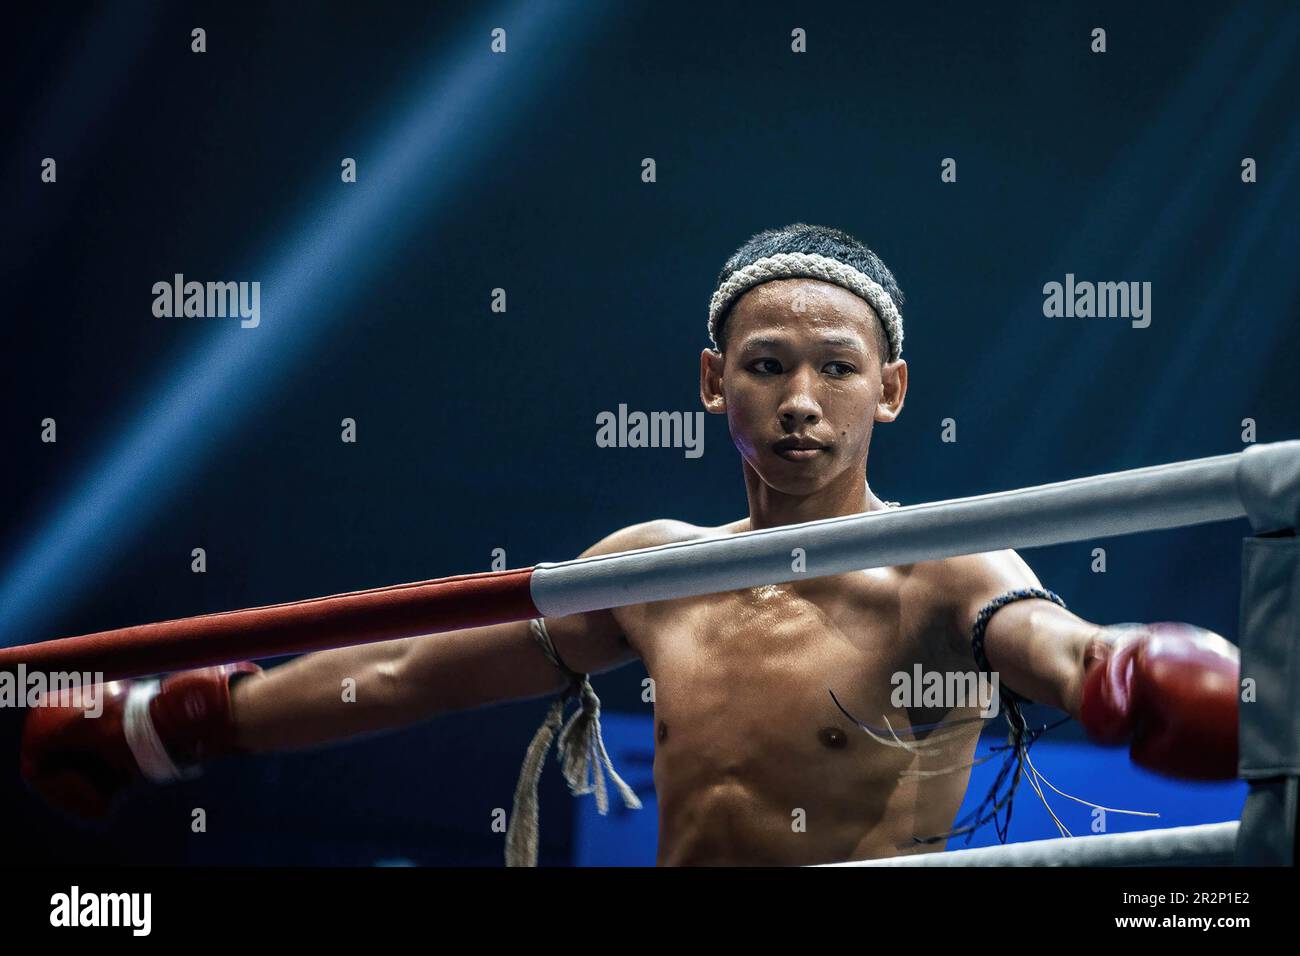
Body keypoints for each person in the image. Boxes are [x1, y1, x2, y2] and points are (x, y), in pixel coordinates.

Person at [20, 223, 1240, 866]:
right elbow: (402, 673)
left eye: (836, 367)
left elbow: (1053, 643)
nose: (802, 398)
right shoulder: (660, 565)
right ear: (715, 384)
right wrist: (164, 725)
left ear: (895, 389)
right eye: (768, 366)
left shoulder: (947, 561)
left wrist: (1130, 669)